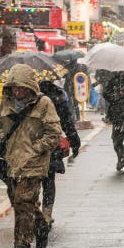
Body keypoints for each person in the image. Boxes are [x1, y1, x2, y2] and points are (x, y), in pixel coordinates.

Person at [0, 64, 62, 248]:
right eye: (14, 87)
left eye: (22, 87)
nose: (18, 91)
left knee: (24, 201)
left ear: (30, 87)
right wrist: (1, 139)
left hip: (34, 164)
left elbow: (54, 133)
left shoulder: (44, 103)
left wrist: (35, 149)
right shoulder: (5, 103)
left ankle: (21, 244)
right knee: (20, 202)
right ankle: (41, 226)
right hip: (11, 162)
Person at [38, 81, 81, 227]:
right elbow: (67, 122)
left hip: (30, 147)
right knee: (49, 181)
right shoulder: (57, 97)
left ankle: (36, 213)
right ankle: (46, 213)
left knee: (32, 182)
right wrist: (75, 141)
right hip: (51, 146)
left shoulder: (27, 97)